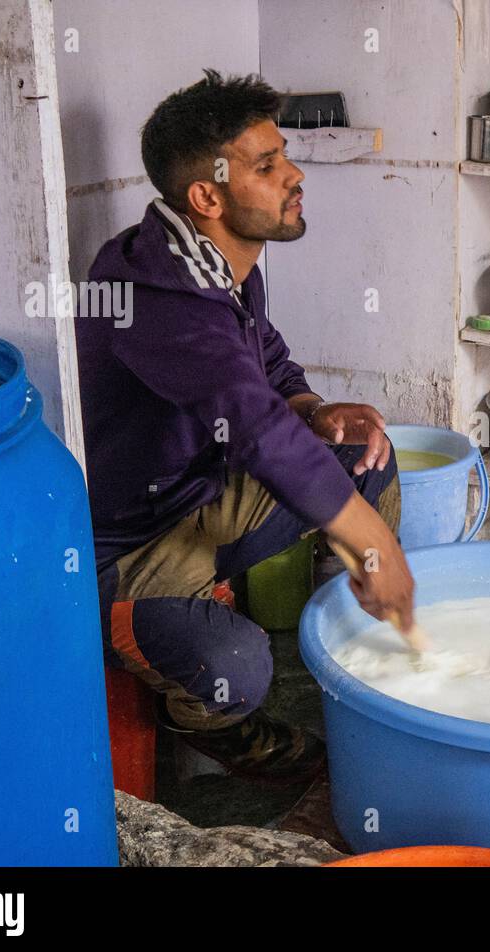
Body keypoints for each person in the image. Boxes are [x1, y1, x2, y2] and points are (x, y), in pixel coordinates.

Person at [75, 70, 415, 782]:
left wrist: (318, 411)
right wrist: (371, 537)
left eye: (282, 155)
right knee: (235, 666)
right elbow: (254, 426)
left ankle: (345, 637)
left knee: (364, 454)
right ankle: (215, 728)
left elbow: (267, 365)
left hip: (200, 497)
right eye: (268, 167)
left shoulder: (223, 260)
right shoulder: (152, 295)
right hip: (131, 547)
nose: (293, 176)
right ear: (208, 195)